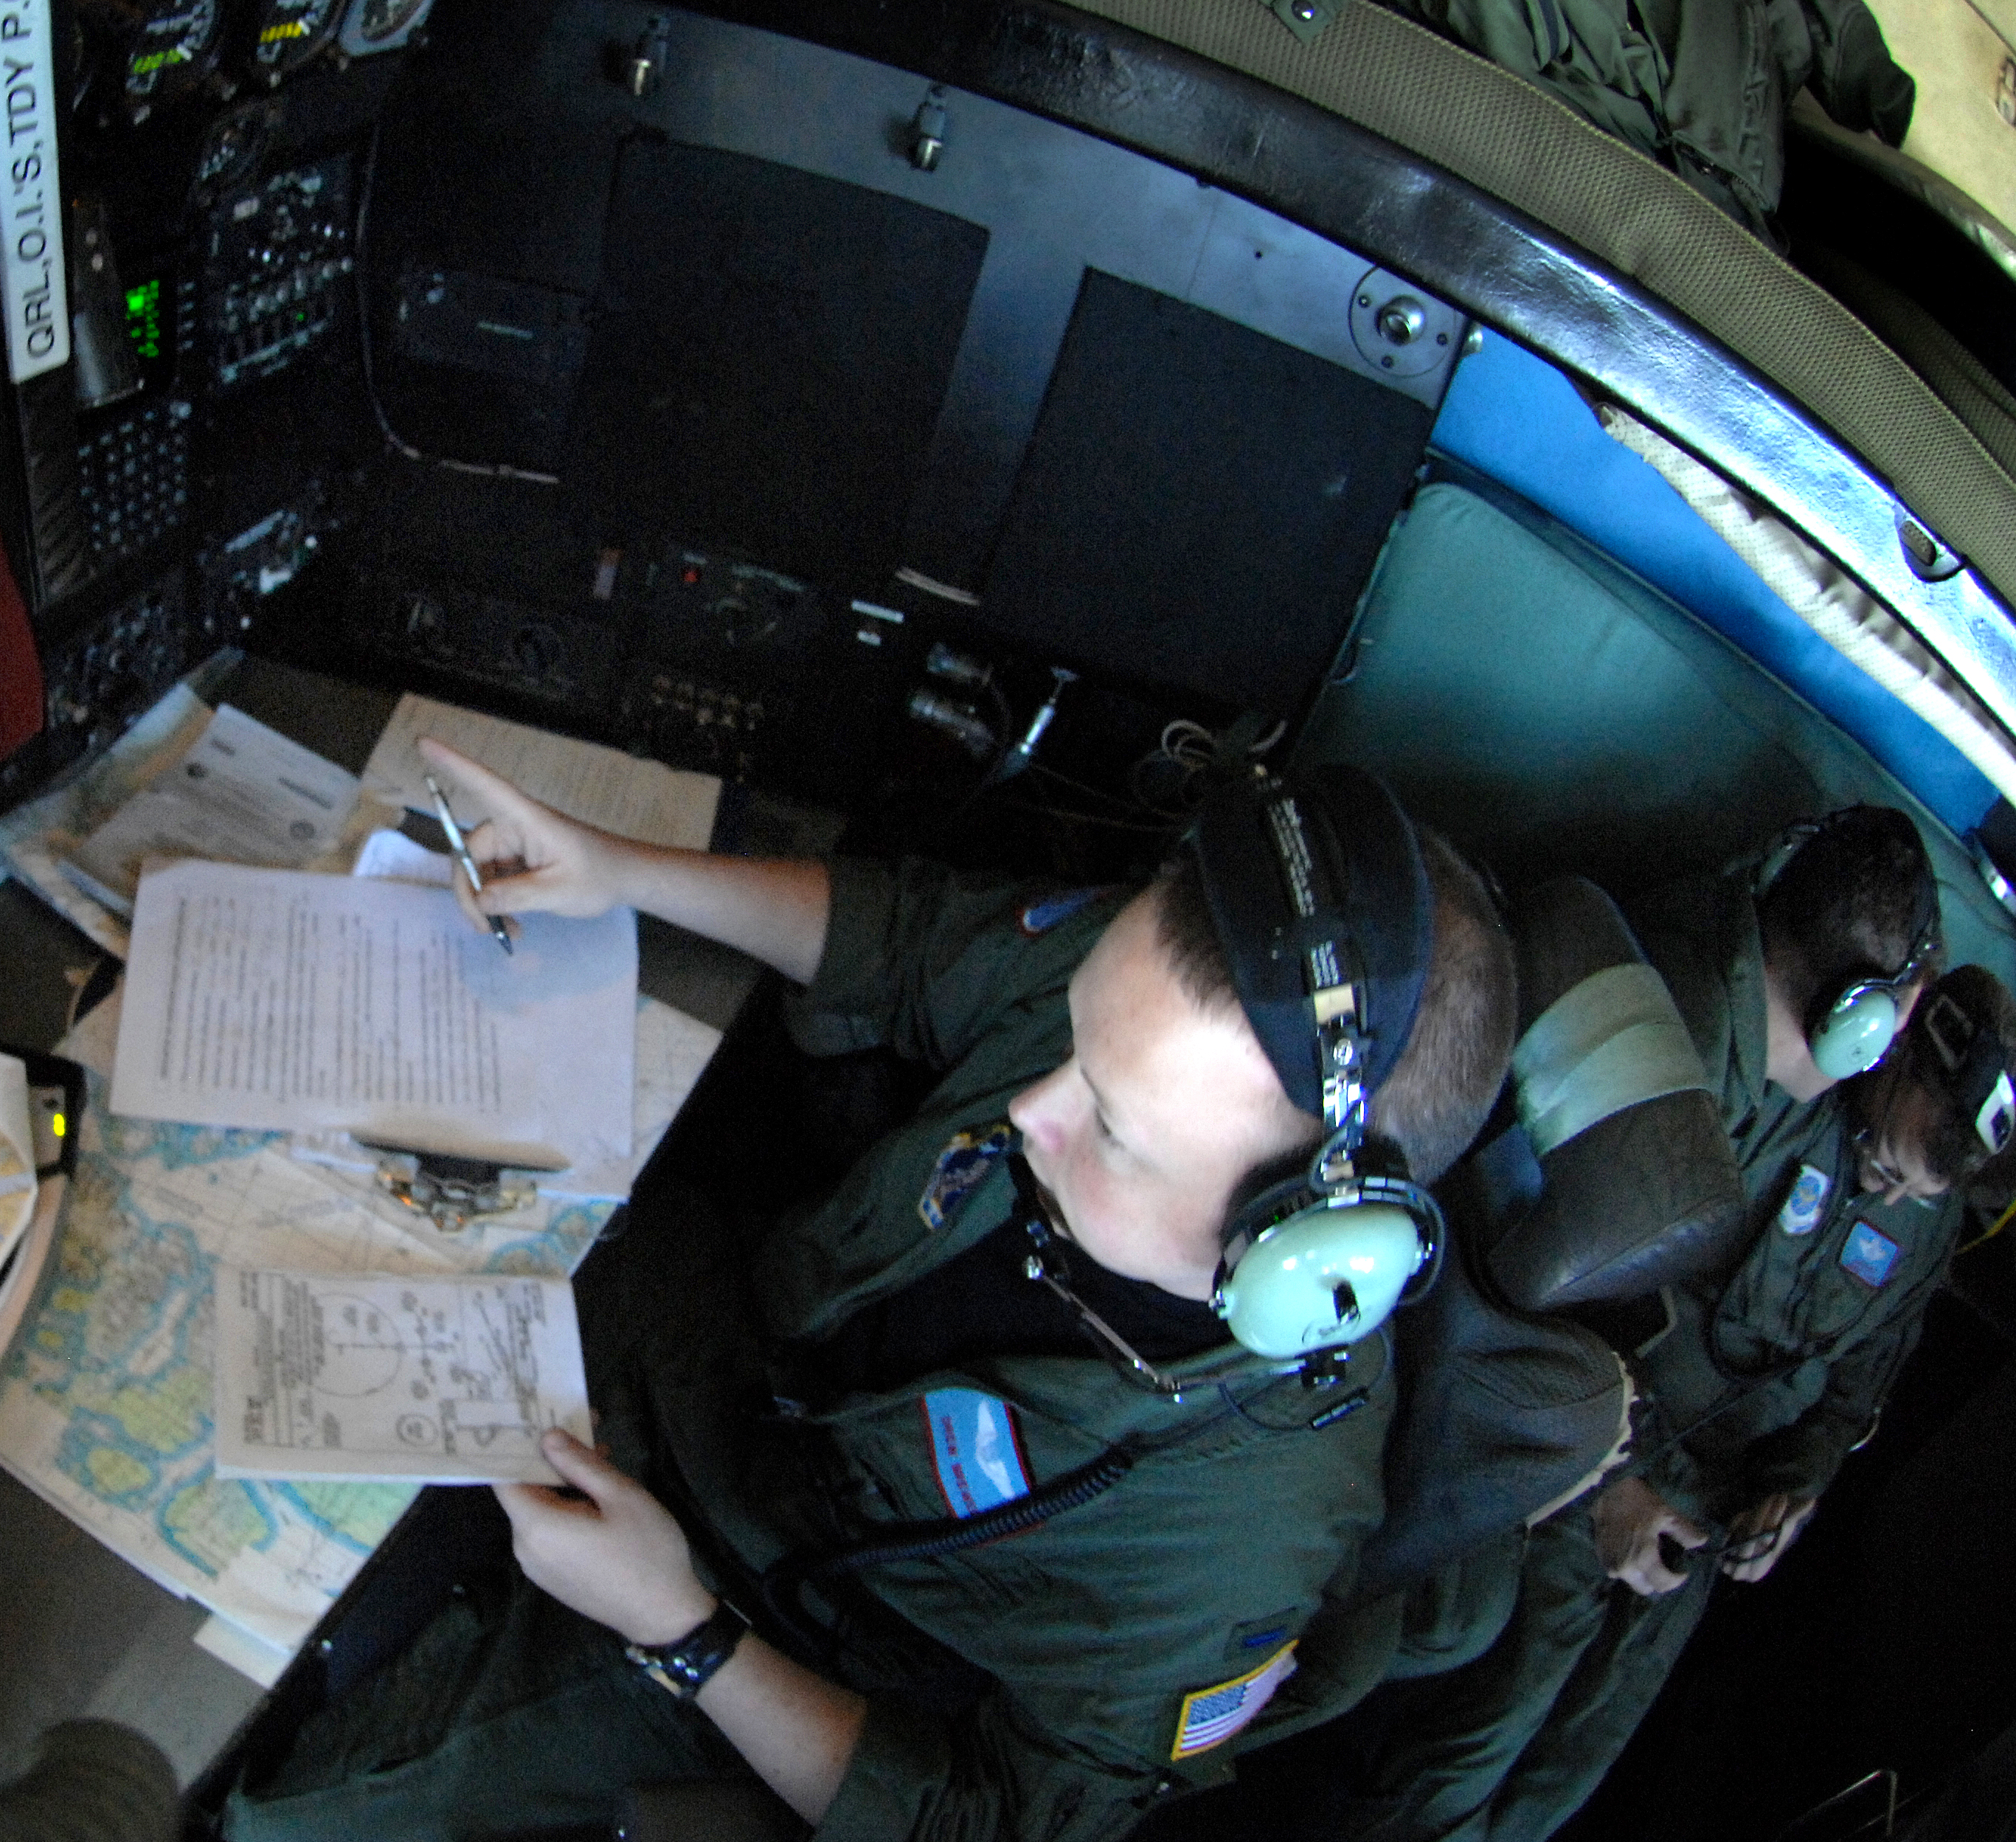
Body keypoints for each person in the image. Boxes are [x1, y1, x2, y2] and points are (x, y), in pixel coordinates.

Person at [226, 743, 1517, 1842]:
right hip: (723, 1336)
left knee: (288, 1810)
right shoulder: (1156, 1012)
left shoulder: (1230, 1548)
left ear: (1301, 1258)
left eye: (1113, 1132)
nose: (1028, 1113)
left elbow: (985, 1822)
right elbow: (911, 940)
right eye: (1071, 1039)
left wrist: (683, 1632)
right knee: (278, 1284)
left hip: (778, 1615)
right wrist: (618, 868)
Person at [1348, 809, 1960, 1842]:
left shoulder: (1713, 1005)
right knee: (1464, 1642)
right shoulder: (1680, 1054)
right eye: (1891, 1028)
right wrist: (1607, 1479)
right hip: (1468, 1395)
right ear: (1856, 1023)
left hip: (1540, 1401)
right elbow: (1503, 1271)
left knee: (1550, 1719)